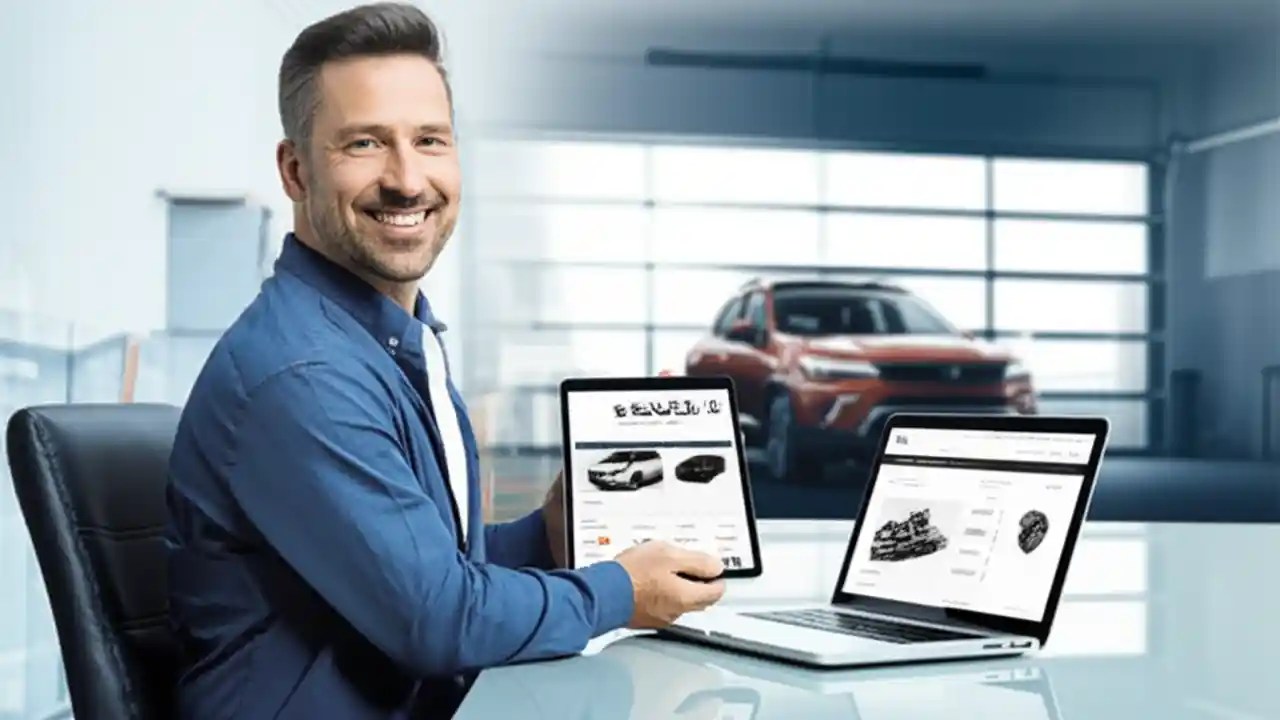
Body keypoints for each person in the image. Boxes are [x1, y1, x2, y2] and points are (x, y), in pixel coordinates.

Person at [163, 3, 726, 718]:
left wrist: (550, 533)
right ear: (295, 169)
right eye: (364, 144)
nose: (406, 179)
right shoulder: (303, 375)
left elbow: (427, 569)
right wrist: (620, 591)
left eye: (430, 140)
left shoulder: (390, 341)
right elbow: (439, 618)